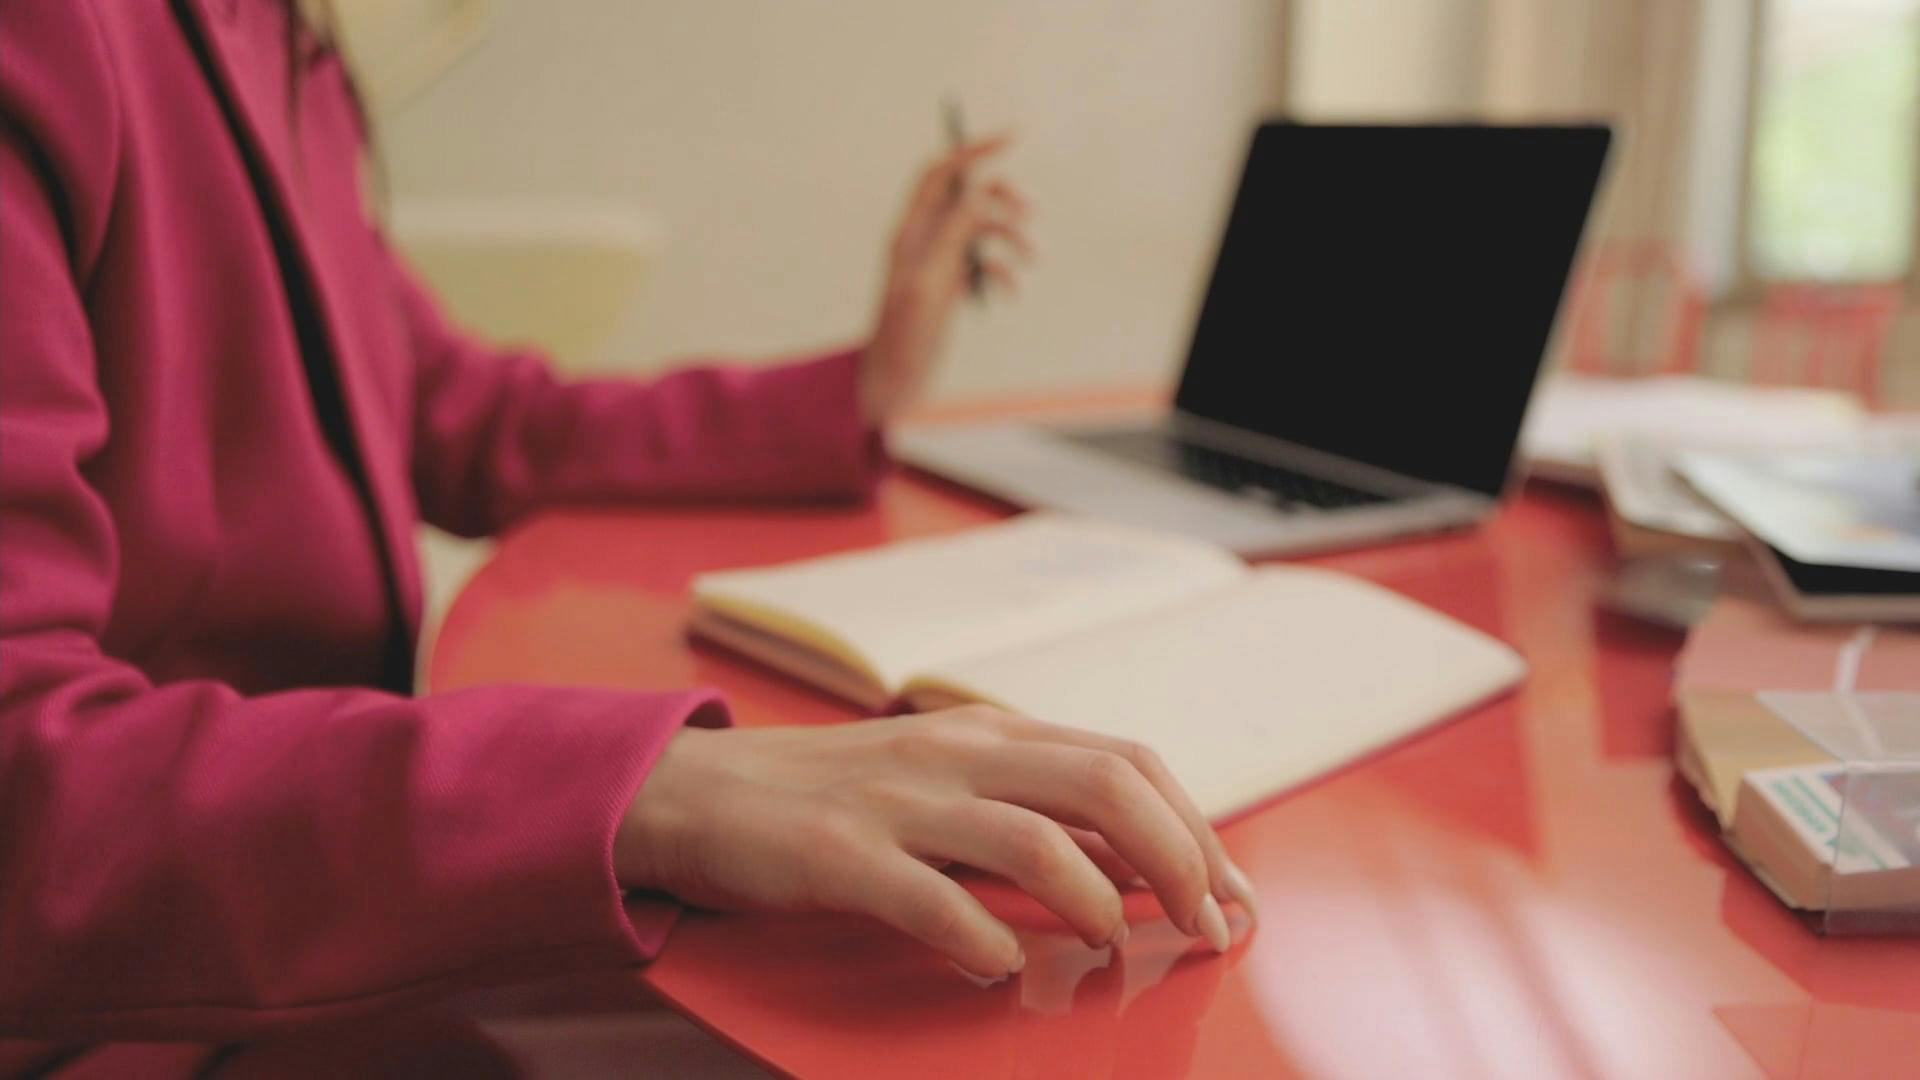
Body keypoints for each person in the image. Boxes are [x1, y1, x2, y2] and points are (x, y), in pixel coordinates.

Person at [0, 0, 1256, 1043]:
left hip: (311, 912)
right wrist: (651, 791)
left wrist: (858, 387)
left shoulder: (284, 42)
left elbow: (465, 413)